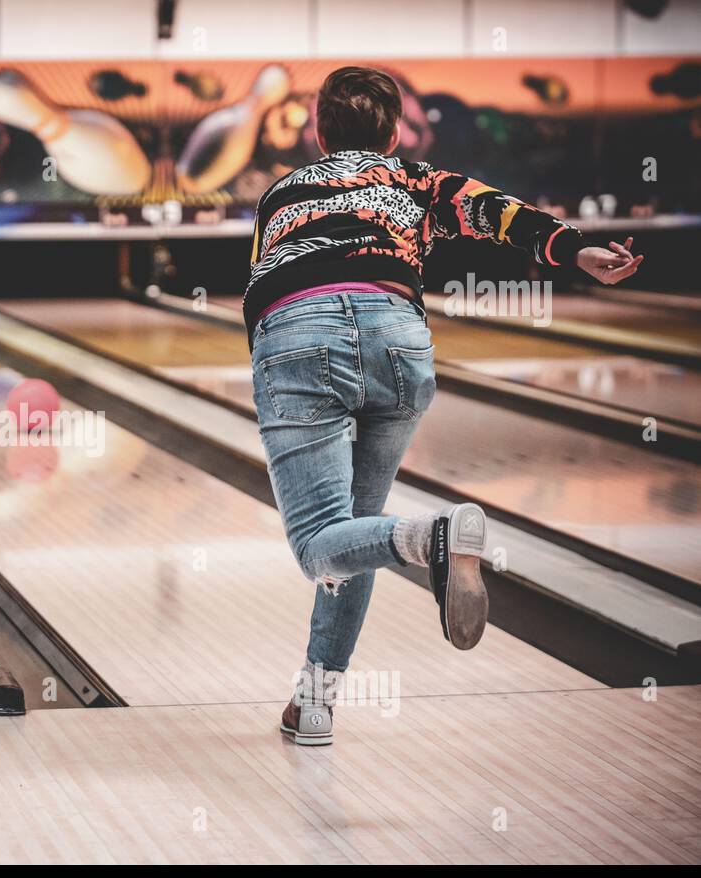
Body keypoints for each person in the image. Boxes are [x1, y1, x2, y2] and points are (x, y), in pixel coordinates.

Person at [243, 66, 643, 746]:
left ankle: (430, 537)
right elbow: (499, 212)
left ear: (317, 132)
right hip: (399, 341)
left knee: (320, 545)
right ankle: (314, 704)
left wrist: (283, 361)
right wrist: (576, 251)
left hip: (299, 338)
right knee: (356, 533)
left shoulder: (283, 189)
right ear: (395, 133)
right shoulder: (418, 180)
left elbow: (260, 283)